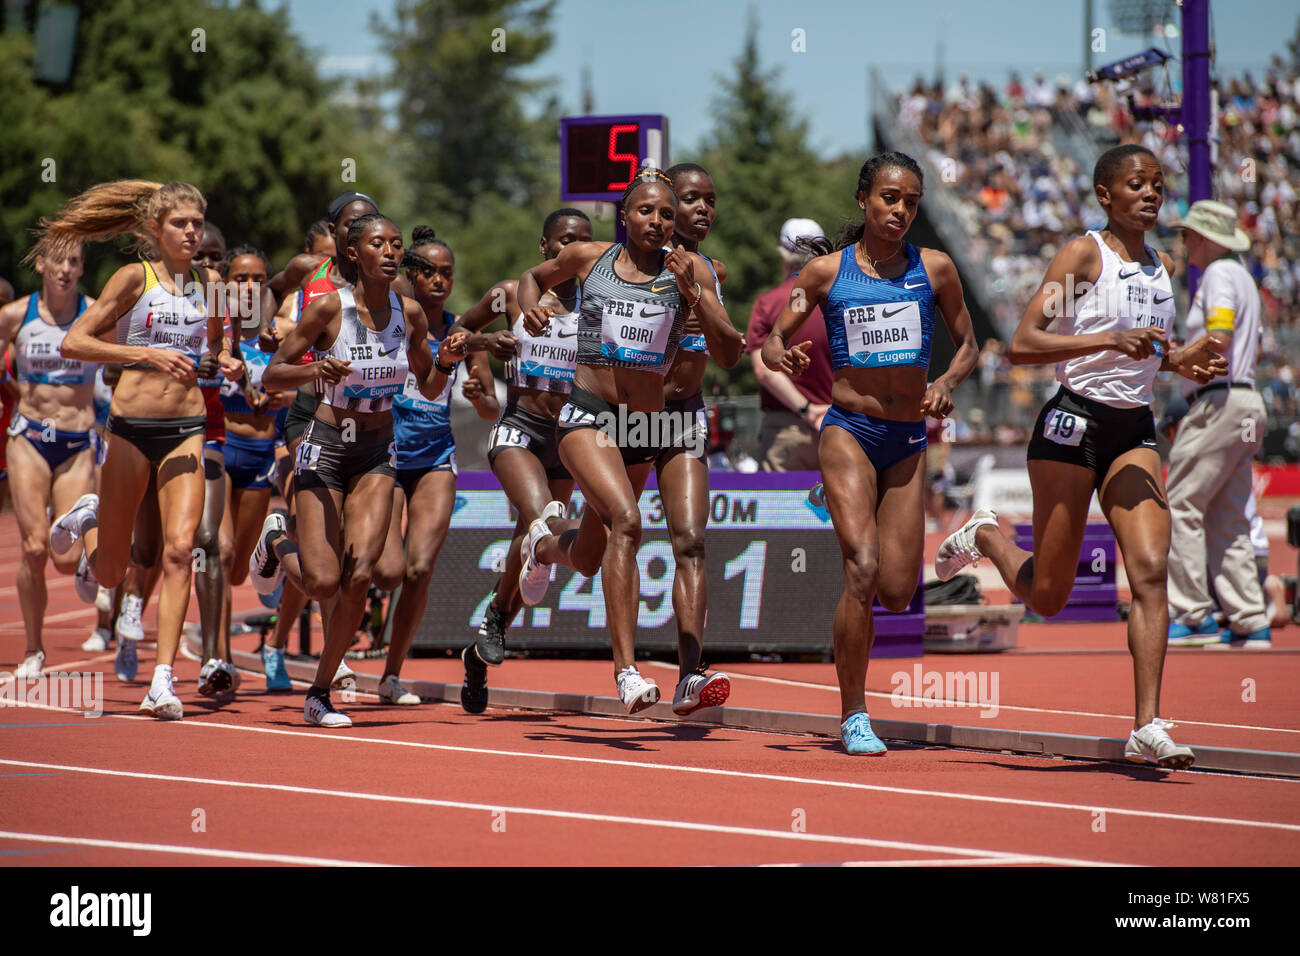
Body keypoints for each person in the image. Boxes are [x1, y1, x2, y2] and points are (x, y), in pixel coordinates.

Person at [934, 145, 1228, 769]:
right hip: (1074, 424)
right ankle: (987, 536)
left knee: (1150, 567)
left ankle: (1146, 724)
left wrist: (1177, 359)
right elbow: (1021, 343)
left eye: (1156, 184)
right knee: (1048, 596)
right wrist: (1106, 337)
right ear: (1104, 194)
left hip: (1134, 431)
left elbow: (1144, 350)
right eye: (1135, 185)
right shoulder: (1083, 254)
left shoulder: (1161, 266)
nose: (1150, 194)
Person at [761, 152, 979, 755]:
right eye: (889, 198)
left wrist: (945, 384)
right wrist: (784, 355)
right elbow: (775, 342)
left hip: (908, 441)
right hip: (850, 431)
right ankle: (854, 714)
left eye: (911, 201)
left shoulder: (935, 269)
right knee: (860, 568)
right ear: (864, 199)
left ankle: (952, 530)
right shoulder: (825, 273)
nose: (900, 211)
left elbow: (969, 345)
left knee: (896, 593)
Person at [512, 166, 734, 714]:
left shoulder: (694, 269)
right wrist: (530, 307)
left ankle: (541, 544)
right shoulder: (590, 259)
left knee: (595, 554)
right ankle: (628, 672)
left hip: (653, 425)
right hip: (589, 415)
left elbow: (731, 351)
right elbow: (531, 277)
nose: (657, 221)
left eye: (665, 213)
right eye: (645, 211)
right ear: (624, 215)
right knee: (628, 522)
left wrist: (697, 295)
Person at [251, 213, 467, 728]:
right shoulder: (329, 308)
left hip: (376, 452)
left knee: (366, 573)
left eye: (396, 244)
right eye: (378, 244)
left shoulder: (409, 313)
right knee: (324, 583)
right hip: (324, 447)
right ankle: (278, 543)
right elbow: (273, 374)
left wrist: (448, 360)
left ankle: (320, 691)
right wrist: (314, 368)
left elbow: (431, 385)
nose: (391, 253)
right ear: (354, 254)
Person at [43, 180, 242, 720]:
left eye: (198, 222)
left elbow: (221, 347)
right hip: (130, 429)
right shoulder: (136, 278)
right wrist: (147, 354)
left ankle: (163, 679)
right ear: (155, 230)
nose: (192, 232)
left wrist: (227, 363)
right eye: (181, 223)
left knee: (180, 550)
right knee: (110, 573)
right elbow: (74, 341)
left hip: (187, 429)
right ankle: (89, 521)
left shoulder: (213, 284)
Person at [451, 208, 591, 712]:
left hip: (569, 438)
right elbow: (458, 334)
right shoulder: (511, 294)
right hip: (518, 427)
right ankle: (496, 621)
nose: (569, 251)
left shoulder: (599, 303)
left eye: (581, 242)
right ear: (544, 246)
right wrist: (482, 359)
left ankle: (486, 637)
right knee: (542, 521)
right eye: (561, 241)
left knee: (530, 539)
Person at [370, 227, 497, 706]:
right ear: (413, 275)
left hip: (435, 457)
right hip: (386, 452)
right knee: (385, 571)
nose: (441, 280)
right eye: (431, 272)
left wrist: (478, 395)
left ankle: (391, 674)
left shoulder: (464, 335)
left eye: (448, 273)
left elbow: (488, 411)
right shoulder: (390, 320)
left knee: (419, 570)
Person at [260, 194, 381, 690]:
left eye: (366, 227)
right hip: (307, 412)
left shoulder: (383, 282)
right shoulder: (308, 271)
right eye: (349, 227)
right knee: (322, 554)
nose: (358, 236)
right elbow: (271, 293)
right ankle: (330, 655)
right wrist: (265, 331)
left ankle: (287, 639)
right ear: (334, 232)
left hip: (366, 426)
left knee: (337, 558)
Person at [651, 162, 745, 713]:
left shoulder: (708, 269)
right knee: (594, 549)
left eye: (710, 200)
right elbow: (543, 277)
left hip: (683, 416)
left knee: (690, 541)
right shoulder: (626, 263)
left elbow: (732, 353)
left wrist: (698, 293)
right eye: (691, 199)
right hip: (622, 420)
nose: (704, 209)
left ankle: (689, 674)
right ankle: (545, 548)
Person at [1166, 200, 1271, 648]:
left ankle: (1192, 615)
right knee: (1228, 515)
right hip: (1245, 399)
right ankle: (1249, 618)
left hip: (1220, 401)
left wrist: (1179, 361)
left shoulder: (1219, 275)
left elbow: (1220, 337)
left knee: (1181, 502)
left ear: (1206, 238)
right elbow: (1255, 349)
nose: (1183, 243)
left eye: (1188, 235)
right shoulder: (1244, 278)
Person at [0, 243, 97, 677]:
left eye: (74, 262)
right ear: (39, 263)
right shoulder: (16, 315)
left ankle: (83, 556)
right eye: (57, 260)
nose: (65, 269)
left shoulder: (96, 312)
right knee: (35, 547)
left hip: (77, 441)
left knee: (62, 557)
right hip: (30, 438)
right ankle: (34, 650)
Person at [209, 244, 291, 692]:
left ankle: (266, 549)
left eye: (258, 280)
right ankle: (220, 660)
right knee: (219, 557)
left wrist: (283, 391)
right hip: (221, 448)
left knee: (239, 570)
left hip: (261, 457)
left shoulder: (283, 336)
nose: (249, 287)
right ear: (226, 284)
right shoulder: (211, 333)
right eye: (240, 279)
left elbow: (308, 386)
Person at [747, 219, 834, 472]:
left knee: (782, 511)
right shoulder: (840, 303)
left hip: (785, 434)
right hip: (839, 426)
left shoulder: (767, 303)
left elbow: (764, 370)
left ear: (783, 257)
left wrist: (807, 411)